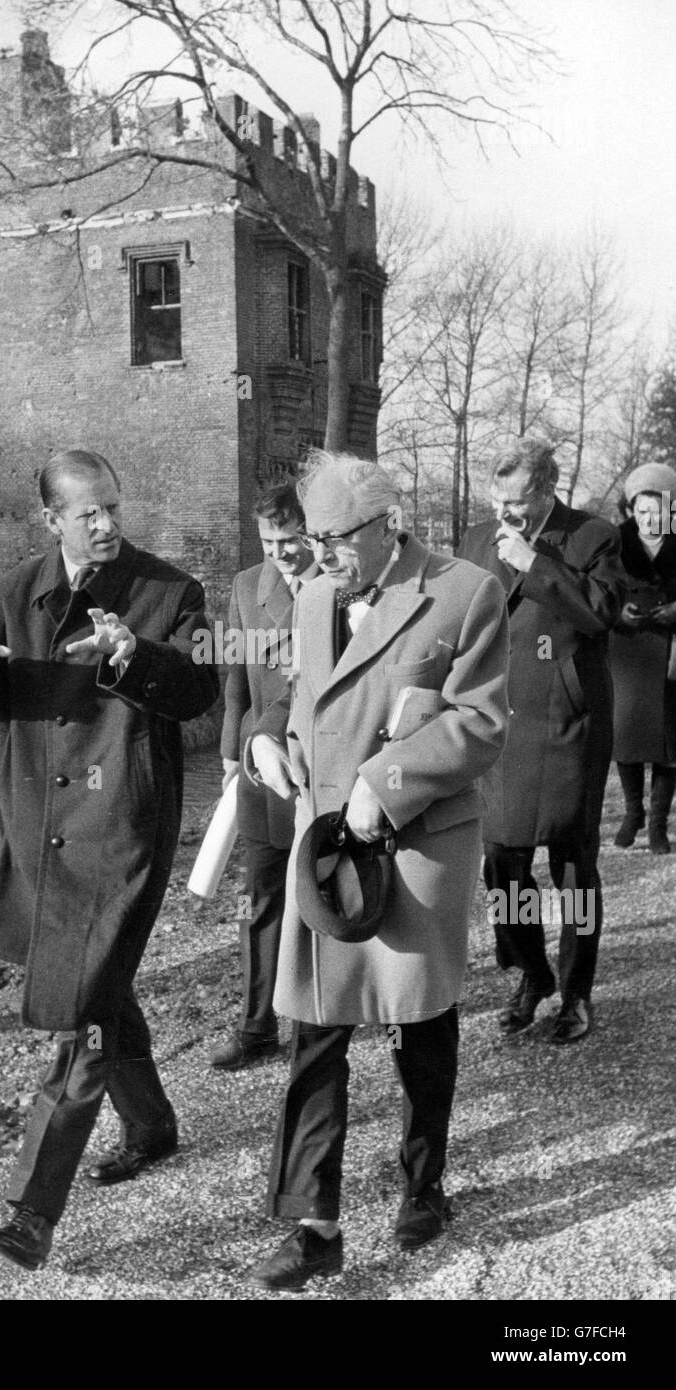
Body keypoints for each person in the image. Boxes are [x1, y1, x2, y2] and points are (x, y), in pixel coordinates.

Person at [0, 449, 219, 1271]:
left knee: (81, 1006)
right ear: (50, 518)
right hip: (39, 826)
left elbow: (200, 690)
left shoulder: (169, 592)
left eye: (113, 509)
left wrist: (134, 655)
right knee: (101, 987)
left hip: (121, 827)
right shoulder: (18, 591)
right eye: (86, 513)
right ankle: (153, 1123)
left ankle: (32, 1210)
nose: (105, 525)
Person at [244, 450, 509, 1290]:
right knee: (314, 1030)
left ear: (387, 522)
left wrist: (382, 785)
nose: (317, 556)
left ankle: (422, 1184)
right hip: (327, 849)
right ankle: (313, 1223)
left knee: (418, 1024)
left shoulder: (465, 593)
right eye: (310, 538)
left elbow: (480, 721)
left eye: (334, 538)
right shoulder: (315, 596)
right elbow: (302, 703)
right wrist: (266, 743)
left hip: (414, 847)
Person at [458, 438, 625, 1045]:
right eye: (497, 499)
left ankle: (576, 992)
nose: (505, 513)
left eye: (519, 501)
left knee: (572, 863)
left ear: (549, 490)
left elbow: (601, 613)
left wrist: (537, 564)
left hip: (567, 723)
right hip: (500, 721)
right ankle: (532, 973)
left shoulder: (594, 537)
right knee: (502, 863)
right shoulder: (476, 539)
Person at [211, 482, 318, 1070]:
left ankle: (322, 1017)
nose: (281, 552)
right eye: (269, 541)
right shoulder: (248, 587)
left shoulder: (337, 584)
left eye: (291, 539)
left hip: (320, 764)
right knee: (263, 897)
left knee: (322, 891)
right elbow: (235, 678)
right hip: (258, 763)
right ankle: (257, 1026)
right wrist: (231, 756)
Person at [610, 463, 676, 854]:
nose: (651, 519)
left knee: (670, 744)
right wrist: (618, 612)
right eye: (643, 511)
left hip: (672, 655)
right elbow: (597, 592)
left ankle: (657, 825)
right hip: (628, 653)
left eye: (659, 510)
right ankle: (632, 813)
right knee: (629, 737)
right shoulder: (614, 543)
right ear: (631, 511)